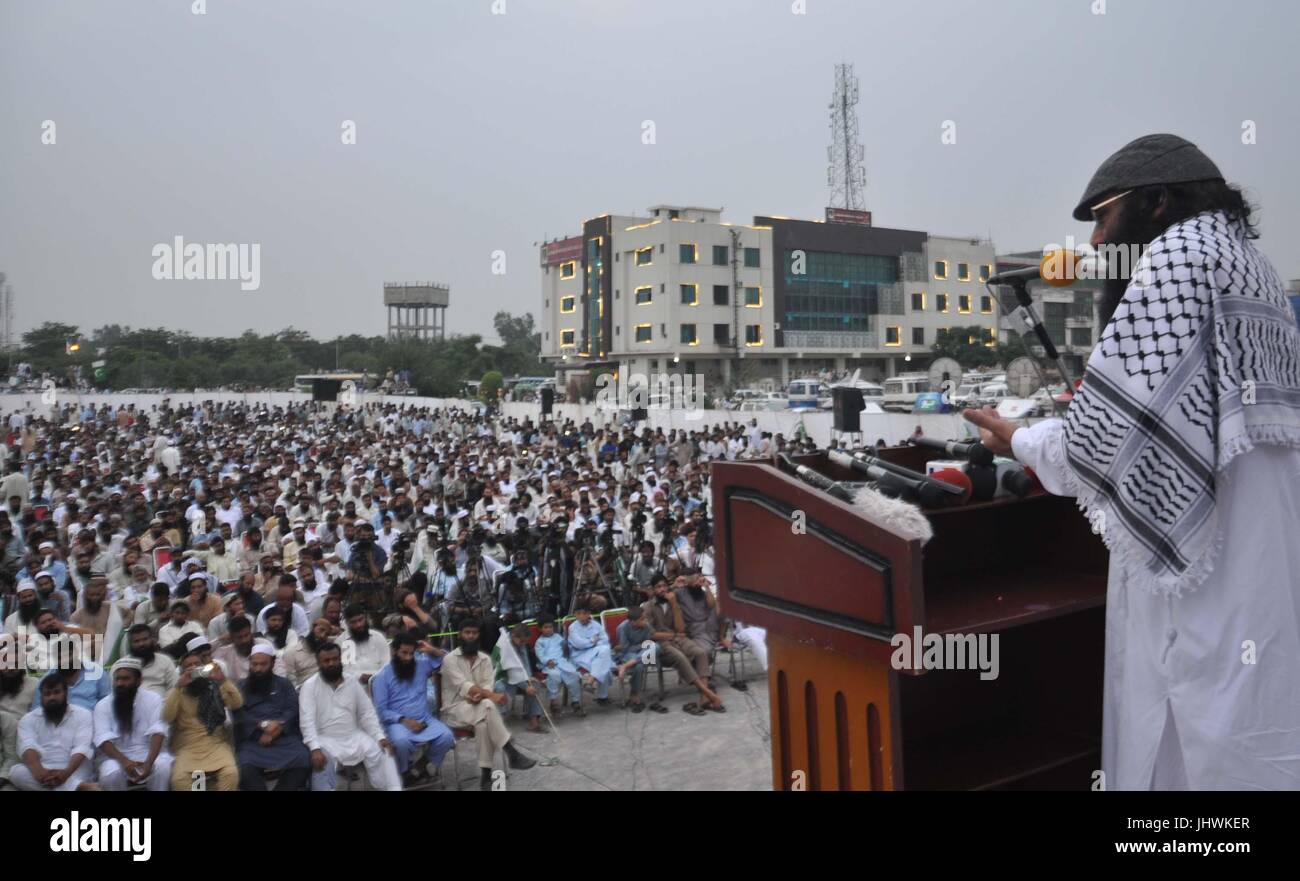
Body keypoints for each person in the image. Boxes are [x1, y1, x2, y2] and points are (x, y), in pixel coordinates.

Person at [964, 134, 1300, 791]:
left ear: (1156, 203)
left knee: (1187, 749)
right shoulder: (1250, 263)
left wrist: (1019, 439)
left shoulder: (1177, 258)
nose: (1093, 243)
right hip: (1264, 566)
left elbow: (1100, 444)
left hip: (1202, 592)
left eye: (1102, 216)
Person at [439, 618, 536, 791]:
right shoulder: (449, 659)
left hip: (478, 707)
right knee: (489, 706)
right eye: (467, 632)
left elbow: (486, 685)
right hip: (454, 710)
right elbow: (463, 686)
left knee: (484, 724)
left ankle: (486, 776)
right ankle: (511, 752)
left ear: (478, 636)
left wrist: (481, 695)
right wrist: (489, 695)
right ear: (460, 635)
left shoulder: (485, 659)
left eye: (474, 633)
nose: (470, 636)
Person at [298, 641, 401, 791]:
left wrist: (379, 736)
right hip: (325, 740)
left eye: (335, 659)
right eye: (326, 661)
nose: (331, 663)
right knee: (321, 762)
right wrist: (315, 748)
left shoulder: (351, 680)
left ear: (340, 659)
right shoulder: (309, 686)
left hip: (354, 735)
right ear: (319, 663)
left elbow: (366, 713)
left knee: (384, 750)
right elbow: (306, 722)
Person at [370, 633, 454, 786]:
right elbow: (381, 711)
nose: (408, 658)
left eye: (411, 653)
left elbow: (447, 659)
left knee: (447, 737)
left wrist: (431, 650)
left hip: (424, 719)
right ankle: (405, 772)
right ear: (394, 651)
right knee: (401, 741)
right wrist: (404, 720)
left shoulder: (421, 664)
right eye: (404, 653)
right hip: (398, 723)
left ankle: (420, 766)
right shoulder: (382, 677)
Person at [232, 644, 312, 792]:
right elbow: (238, 713)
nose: (258, 669)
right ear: (250, 663)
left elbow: (292, 709)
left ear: (273, 663)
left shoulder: (284, 684)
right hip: (254, 740)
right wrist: (261, 725)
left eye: (263, 664)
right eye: (254, 664)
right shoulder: (241, 686)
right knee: (244, 766)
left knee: (303, 758)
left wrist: (278, 727)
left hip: (283, 738)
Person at [162, 650, 244, 791]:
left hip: (215, 742)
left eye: (197, 664)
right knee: (179, 779)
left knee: (230, 774)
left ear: (204, 666)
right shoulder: (177, 692)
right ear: (182, 671)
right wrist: (178, 686)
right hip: (187, 746)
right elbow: (167, 717)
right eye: (189, 666)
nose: (194, 668)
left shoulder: (216, 687)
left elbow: (237, 703)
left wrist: (223, 680)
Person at [641, 576, 724, 714]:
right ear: (653, 590)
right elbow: (650, 635)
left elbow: (680, 629)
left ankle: (704, 699)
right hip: (659, 645)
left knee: (700, 653)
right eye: (658, 587)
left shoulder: (674, 601)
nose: (662, 590)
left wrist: (674, 605)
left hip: (678, 640)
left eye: (664, 586)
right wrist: (673, 636)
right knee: (681, 657)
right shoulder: (648, 607)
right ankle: (708, 693)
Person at [92, 657, 172, 791]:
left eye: (125, 679)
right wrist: (124, 762)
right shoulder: (103, 705)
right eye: (117, 679)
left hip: (149, 754)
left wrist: (148, 762)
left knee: (163, 766)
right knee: (111, 772)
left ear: (139, 681)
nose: (120, 683)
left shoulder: (153, 699)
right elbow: (103, 739)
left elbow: (158, 732)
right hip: (116, 758)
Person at [10, 674, 99, 791]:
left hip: (75, 767)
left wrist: (65, 774)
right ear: (41, 697)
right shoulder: (28, 719)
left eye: (57, 692)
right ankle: (79, 787)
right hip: (43, 767)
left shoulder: (83, 714)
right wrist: (41, 774)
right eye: (47, 694)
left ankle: (66, 786)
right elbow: (28, 748)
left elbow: (81, 748)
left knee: (80, 770)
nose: (52, 697)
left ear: (66, 693)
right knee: (16, 772)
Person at [566, 603, 613, 705]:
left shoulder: (596, 624)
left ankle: (590, 681)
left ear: (589, 614)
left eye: (584, 613)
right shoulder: (572, 627)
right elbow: (579, 644)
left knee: (604, 650)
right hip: (579, 655)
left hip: (596, 651)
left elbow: (604, 639)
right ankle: (602, 697)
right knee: (604, 664)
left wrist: (591, 643)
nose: (582, 616)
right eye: (579, 613)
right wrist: (592, 641)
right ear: (575, 615)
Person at [533, 618, 581, 716]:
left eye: (550, 627)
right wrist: (548, 661)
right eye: (545, 627)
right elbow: (540, 655)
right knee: (554, 675)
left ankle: (575, 701)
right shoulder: (539, 642)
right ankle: (553, 701)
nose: (548, 629)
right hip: (549, 664)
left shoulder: (558, 637)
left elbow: (565, 648)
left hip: (562, 662)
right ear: (540, 629)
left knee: (574, 675)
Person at [613, 604, 654, 712]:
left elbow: (647, 643)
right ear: (633, 622)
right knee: (639, 665)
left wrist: (642, 647)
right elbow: (625, 648)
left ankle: (624, 667)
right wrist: (641, 647)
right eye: (642, 619)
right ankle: (634, 693)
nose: (645, 621)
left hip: (641, 652)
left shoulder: (646, 626)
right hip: (627, 654)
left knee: (654, 647)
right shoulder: (623, 628)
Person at [335, 603, 388, 685]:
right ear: (347, 623)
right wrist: (361, 677)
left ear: (365, 618)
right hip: (355, 686)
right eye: (353, 622)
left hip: (381, 683)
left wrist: (376, 678)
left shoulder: (378, 637)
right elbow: (346, 670)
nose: (359, 625)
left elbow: (386, 663)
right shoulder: (343, 642)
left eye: (360, 620)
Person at [127, 623, 179, 697]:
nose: (141, 644)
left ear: (152, 640)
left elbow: (175, 688)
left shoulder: (165, 661)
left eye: (145, 639)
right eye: (136, 641)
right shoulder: (122, 666)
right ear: (130, 644)